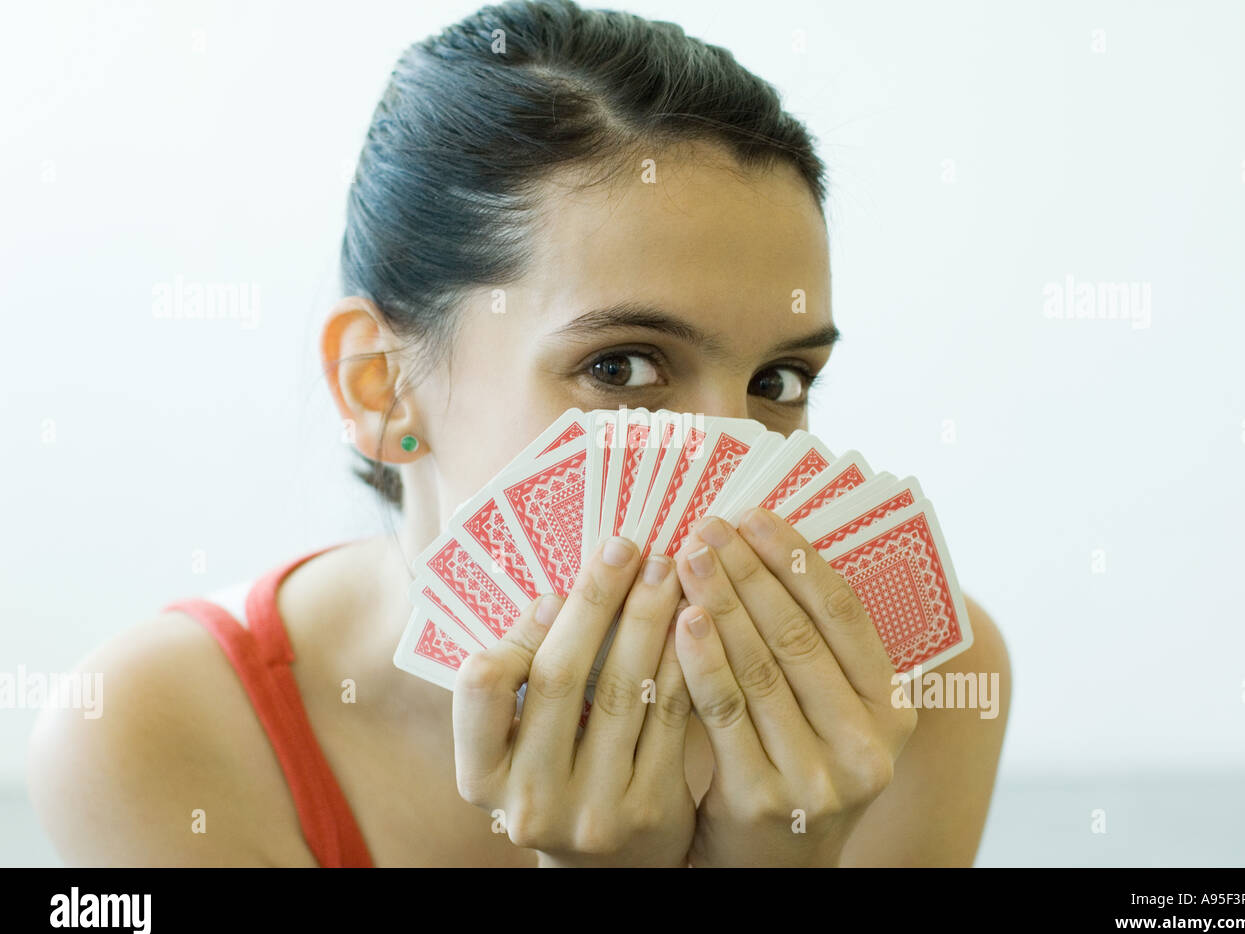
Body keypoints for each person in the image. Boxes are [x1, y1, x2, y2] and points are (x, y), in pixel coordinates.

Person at [27, 0, 1010, 866]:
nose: (730, 462)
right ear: (381, 387)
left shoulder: (920, 689)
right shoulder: (158, 734)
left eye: (779, 380)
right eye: (620, 366)